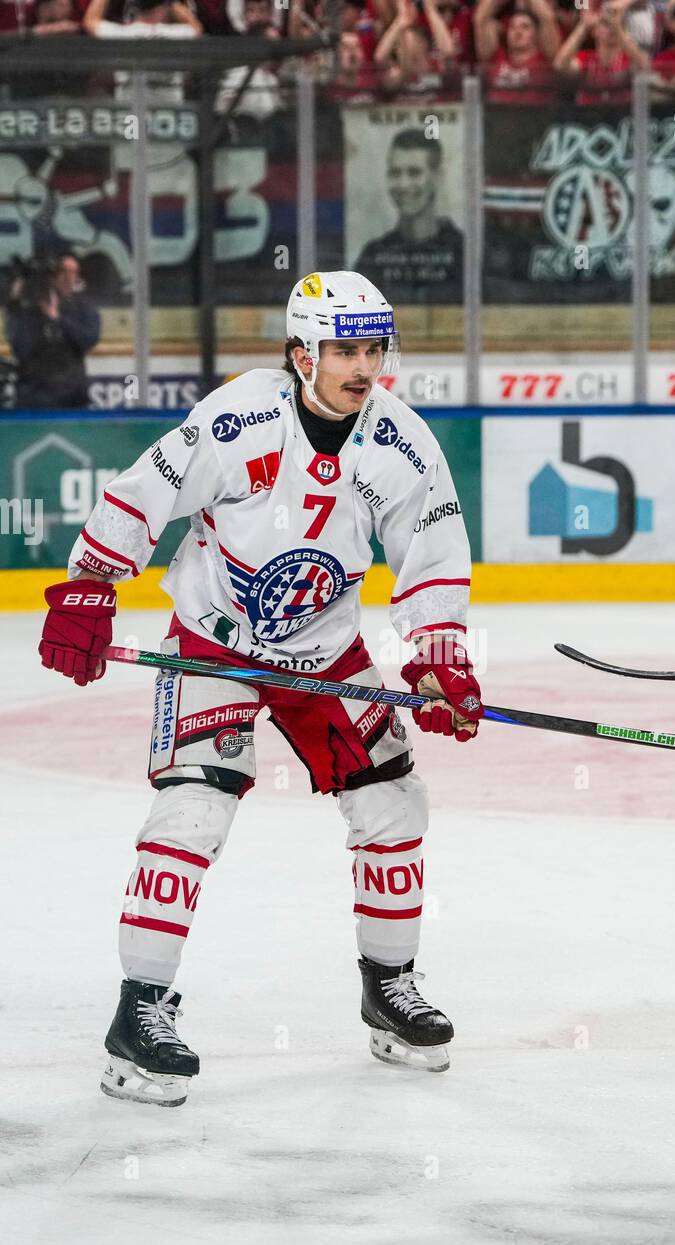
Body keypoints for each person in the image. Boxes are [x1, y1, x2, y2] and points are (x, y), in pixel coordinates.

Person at [38, 270, 481, 1104]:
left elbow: (432, 557)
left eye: (373, 348)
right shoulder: (241, 418)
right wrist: (93, 582)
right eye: (343, 349)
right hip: (215, 644)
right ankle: (141, 1011)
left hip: (325, 652)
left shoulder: (400, 442)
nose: (362, 367)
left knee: (394, 801)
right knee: (194, 808)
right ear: (299, 352)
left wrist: (440, 652)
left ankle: (388, 988)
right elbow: (144, 494)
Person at [354, 127, 464, 303]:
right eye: (395, 173)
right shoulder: (374, 255)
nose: (403, 184)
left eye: (414, 173)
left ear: (438, 177)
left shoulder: (464, 253)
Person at [5, 252, 100, 409]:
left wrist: (57, 318)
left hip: (72, 396)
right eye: (63, 271)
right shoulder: (28, 308)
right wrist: (16, 302)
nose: (68, 277)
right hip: (33, 395)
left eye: (73, 272)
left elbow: (89, 339)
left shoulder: (82, 306)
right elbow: (19, 347)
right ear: (53, 276)